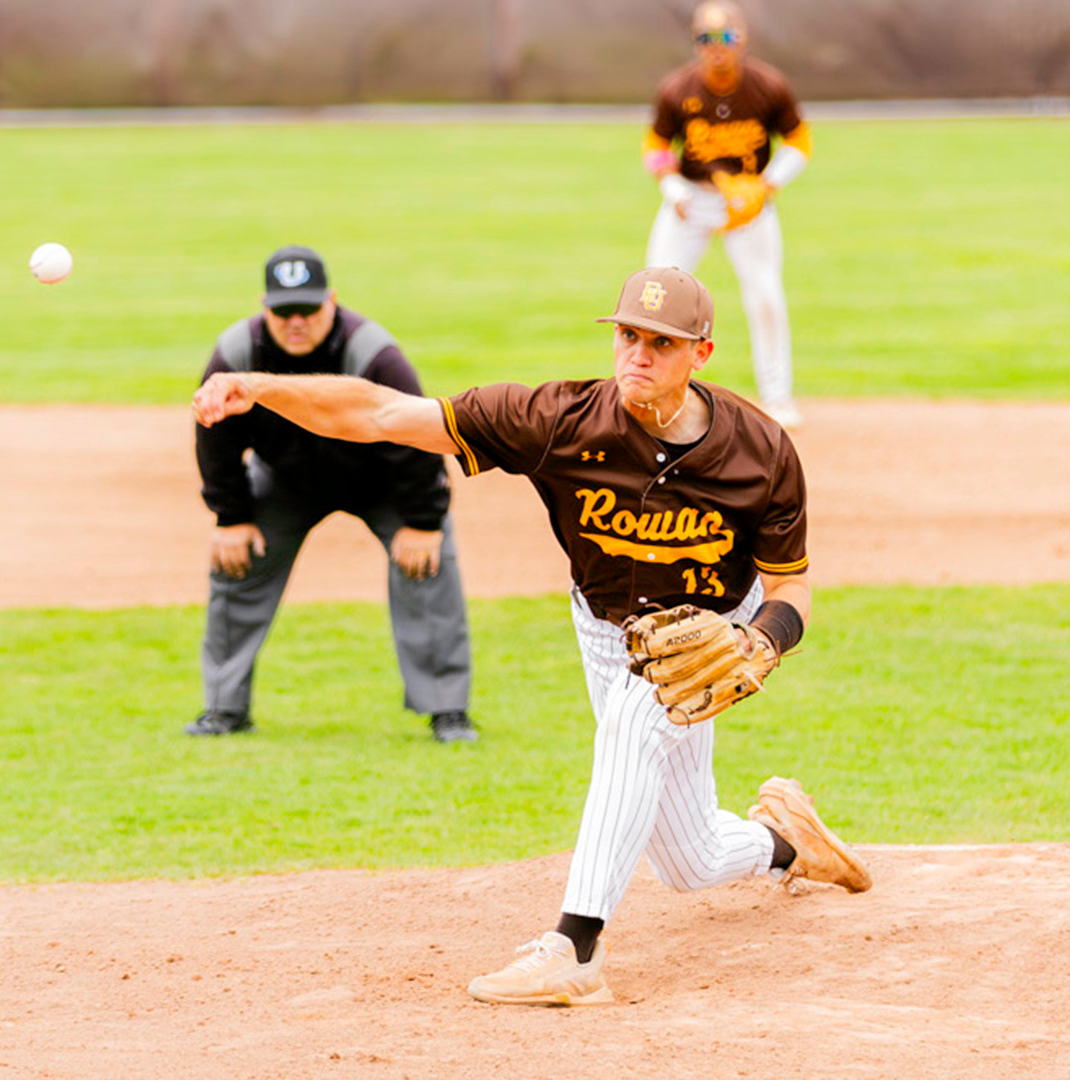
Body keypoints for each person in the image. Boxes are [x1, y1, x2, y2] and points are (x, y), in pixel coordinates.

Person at [193, 266, 872, 1005]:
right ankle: (785, 843)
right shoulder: (558, 420)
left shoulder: (760, 452)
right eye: (628, 336)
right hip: (606, 628)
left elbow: (790, 587)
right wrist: (259, 387)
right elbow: (384, 414)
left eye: (662, 344)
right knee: (689, 859)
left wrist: (760, 642)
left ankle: (572, 951)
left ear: (701, 353)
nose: (638, 356)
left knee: (629, 728)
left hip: (713, 630)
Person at [190, 245, 477, 744]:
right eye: (282, 310)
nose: (294, 321)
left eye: (306, 308)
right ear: (264, 307)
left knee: (427, 566)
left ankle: (447, 709)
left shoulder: (372, 352)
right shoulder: (236, 351)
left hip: (383, 481)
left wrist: (424, 522)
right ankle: (224, 708)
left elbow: (417, 437)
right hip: (284, 481)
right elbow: (214, 438)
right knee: (236, 563)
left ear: (332, 302)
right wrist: (230, 517)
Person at [642, 1, 812, 428]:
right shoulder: (678, 89)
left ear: (743, 38)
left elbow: (799, 141)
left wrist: (767, 185)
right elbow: (656, 145)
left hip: (748, 201)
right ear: (695, 43)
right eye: (705, 38)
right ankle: (647, 396)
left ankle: (777, 398)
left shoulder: (767, 86)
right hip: (691, 203)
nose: (716, 47)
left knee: (766, 296)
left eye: (725, 37)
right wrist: (671, 184)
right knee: (655, 297)